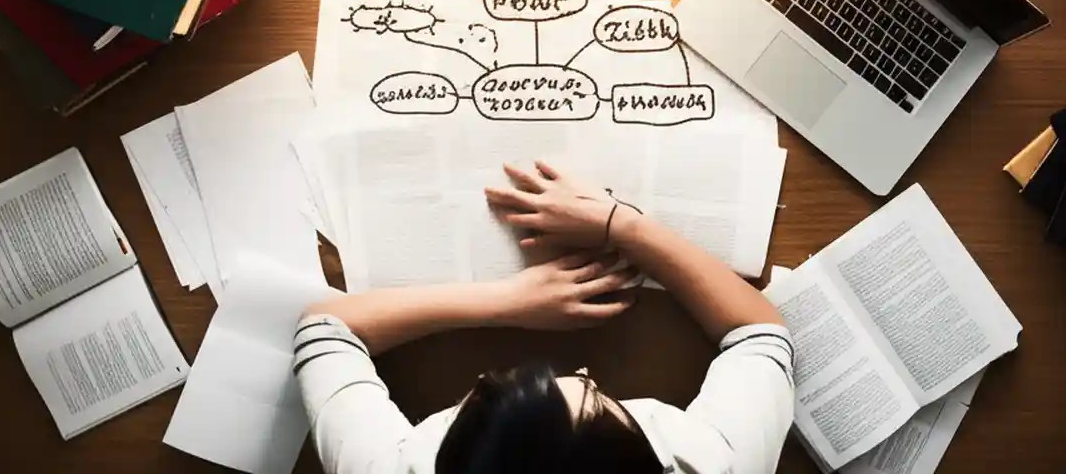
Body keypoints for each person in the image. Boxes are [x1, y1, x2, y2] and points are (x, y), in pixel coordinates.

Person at [295, 161, 794, 474]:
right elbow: (760, 335)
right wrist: (621, 223)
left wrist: (506, 301)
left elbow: (325, 330)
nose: (566, 371)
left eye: (487, 390)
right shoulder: (707, 461)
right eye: (590, 391)